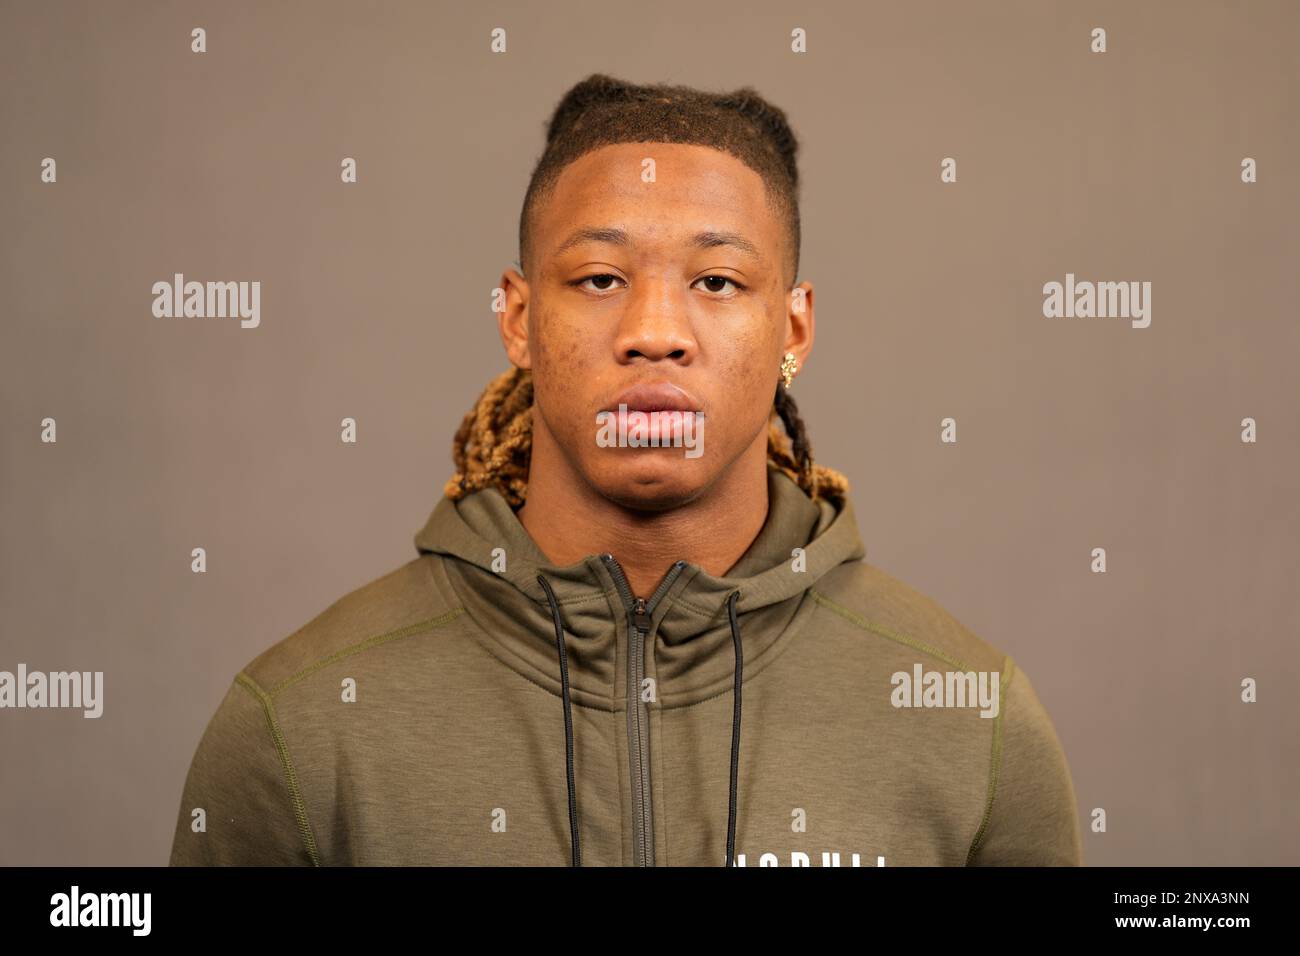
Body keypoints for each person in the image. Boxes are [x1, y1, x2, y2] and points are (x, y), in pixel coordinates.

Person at [169, 73, 1082, 867]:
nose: (655, 331)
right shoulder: (299, 719)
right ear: (518, 318)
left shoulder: (970, 717)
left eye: (717, 281)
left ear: (793, 329)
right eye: (601, 277)